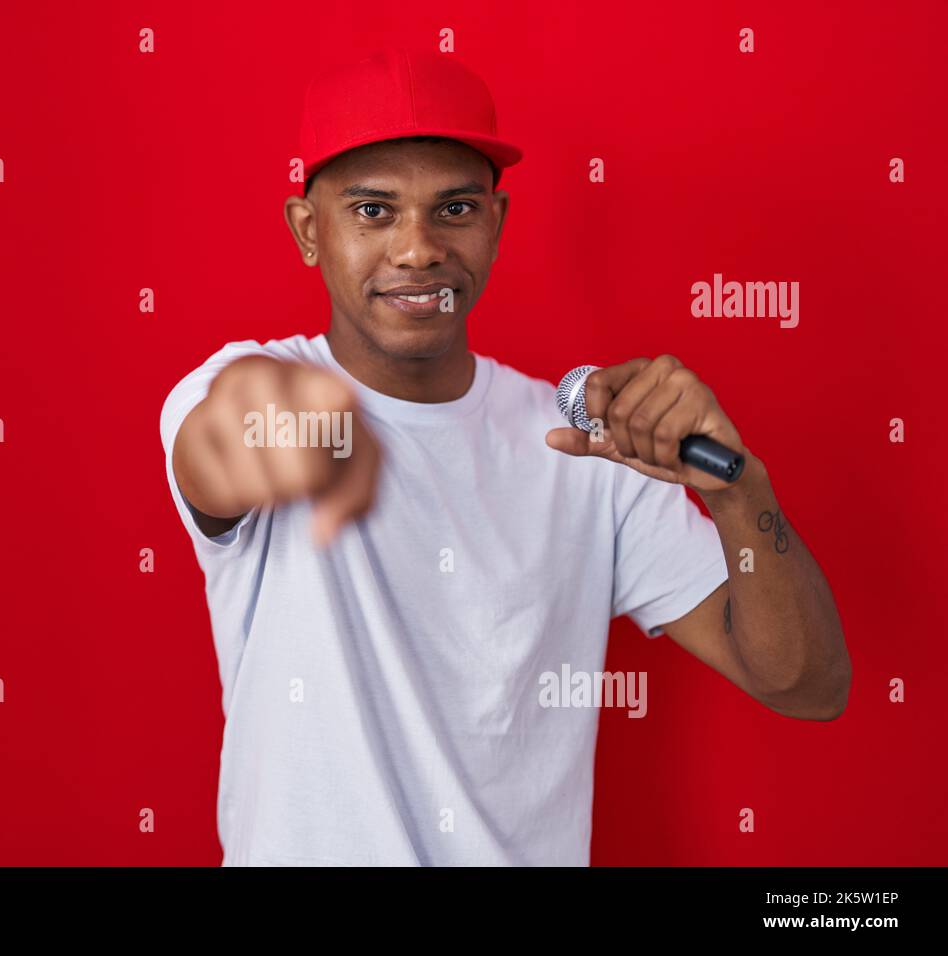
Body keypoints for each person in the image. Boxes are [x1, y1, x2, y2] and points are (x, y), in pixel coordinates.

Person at [158, 48, 850, 866]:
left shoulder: (581, 451)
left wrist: (740, 489)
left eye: (453, 210)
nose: (417, 250)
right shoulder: (242, 384)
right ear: (309, 232)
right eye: (373, 212)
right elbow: (216, 457)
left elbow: (808, 687)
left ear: (496, 223)